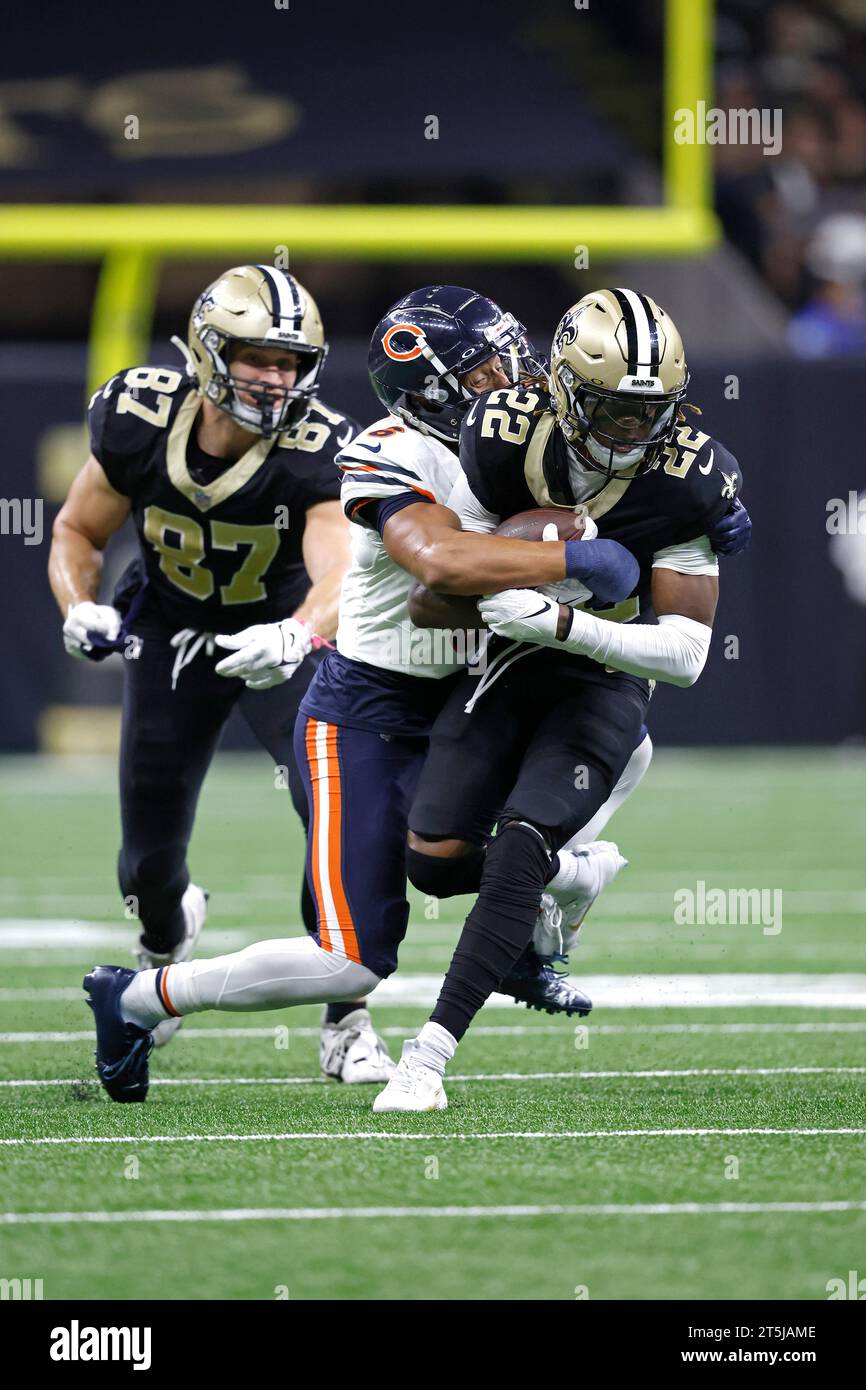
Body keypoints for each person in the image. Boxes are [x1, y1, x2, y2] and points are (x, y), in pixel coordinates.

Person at [82, 284, 639, 1102]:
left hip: (470, 693)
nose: (516, 376)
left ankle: (548, 896)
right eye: (489, 368)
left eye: (512, 354)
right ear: (433, 388)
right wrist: (574, 562)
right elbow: (442, 567)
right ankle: (134, 998)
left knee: (620, 735)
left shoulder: (534, 438)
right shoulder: (391, 451)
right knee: (351, 956)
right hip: (369, 712)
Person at [374, 286, 752, 1111]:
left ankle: (426, 1059)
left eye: (649, 410)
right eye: (613, 409)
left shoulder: (692, 476)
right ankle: (575, 876)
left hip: (607, 675)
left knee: (516, 844)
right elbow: (436, 598)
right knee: (432, 864)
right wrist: (509, 580)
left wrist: (565, 626)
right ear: (563, 388)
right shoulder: (503, 433)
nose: (633, 429)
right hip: (511, 661)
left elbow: (687, 656)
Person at [52, 263, 391, 1082]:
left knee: (333, 826)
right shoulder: (137, 416)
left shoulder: (314, 448)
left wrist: (298, 637)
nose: (277, 378)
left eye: (290, 361)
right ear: (207, 352)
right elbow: (77, 531)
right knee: (147, 861)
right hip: (171, 632)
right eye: (257, 358)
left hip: (281, 645)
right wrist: (79, 605)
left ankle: (347, 1019)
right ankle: (167, 942)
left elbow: (339, 579)